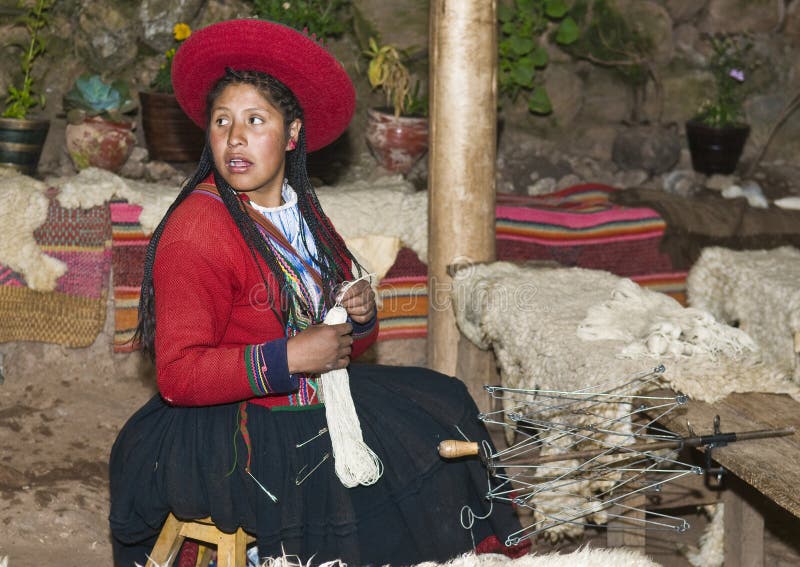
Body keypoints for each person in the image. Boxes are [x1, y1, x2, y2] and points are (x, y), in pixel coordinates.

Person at [109, 19, 528, 567]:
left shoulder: (299, 211)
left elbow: (336, 339)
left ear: (291, 135)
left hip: (310, 395)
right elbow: (178, 374)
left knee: (444, 401)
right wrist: (288, 357)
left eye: (255, 120)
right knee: (342, 474)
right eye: (222, 121)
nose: (234, 138)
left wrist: (359, 316)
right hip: (230, 426)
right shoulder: (199, 228)